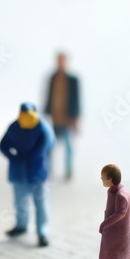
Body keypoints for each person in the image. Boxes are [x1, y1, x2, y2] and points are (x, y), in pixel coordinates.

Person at [0, 102, 55, 247]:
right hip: (18, 172)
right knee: (20, 202)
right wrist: (13, 156)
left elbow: (47, 143)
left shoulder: (42, 127)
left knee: (40, 203)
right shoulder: (14, 127)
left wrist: (31, 155)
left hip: (37, 172)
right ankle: (21, 226)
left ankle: (42, 231)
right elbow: (3, 145)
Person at [44, 52, 81, 181]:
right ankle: (48, 171)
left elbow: (77, 100)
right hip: (55, 119)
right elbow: (48, 97)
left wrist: (75, 118)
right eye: (58, 60)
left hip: (68, 119)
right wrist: (46, 113)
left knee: (68, 147)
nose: (60, 63)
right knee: (49, 146)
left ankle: (68, 172)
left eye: (62, 61)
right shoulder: (52, 78)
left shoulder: (73, 80)